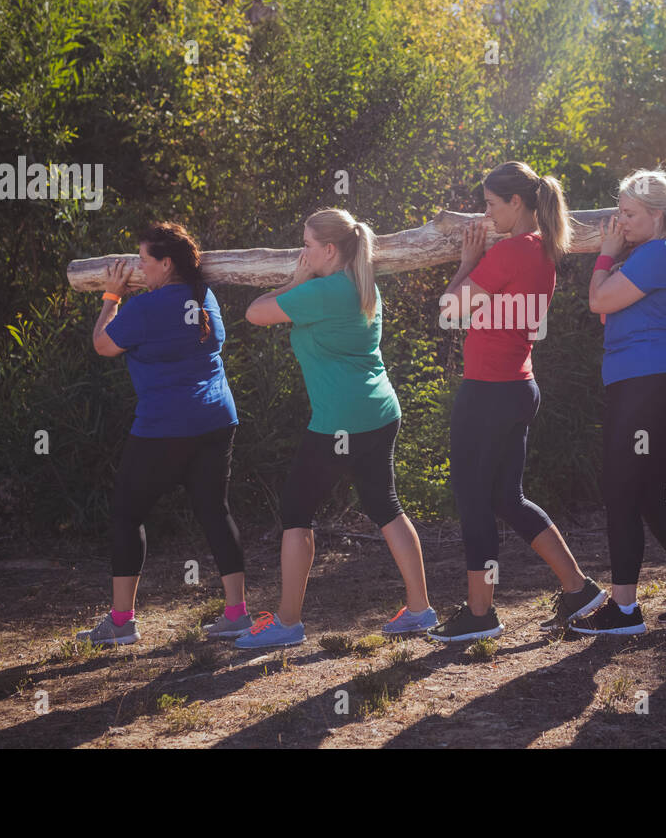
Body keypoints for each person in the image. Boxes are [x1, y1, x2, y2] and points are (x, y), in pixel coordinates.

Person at [238, 208, 435, 648]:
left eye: (306, 245)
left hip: (338, 422)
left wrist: (296, 279)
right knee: (385, 506)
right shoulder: (364, 284)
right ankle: (421, 609)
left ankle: (288, 624)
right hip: (380, 411)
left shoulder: (322, 292)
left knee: (296, 513)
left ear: (329, 249)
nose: (301, 253)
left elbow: (255, 313)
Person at [427, 161, 605, 642]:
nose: (485, 215)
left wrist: (466, 263)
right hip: (517, 387)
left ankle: (480, 615)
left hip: (488, 391)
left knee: (474, 500)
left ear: (516, 203)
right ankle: (578, 589)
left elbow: (451, 308)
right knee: (506, 497)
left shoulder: (511, 253)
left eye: (490, 205)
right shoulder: (543, 249)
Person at [82, 222, 248, 646]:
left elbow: (103, 345)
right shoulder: (205, 297)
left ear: (165, 263)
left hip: (164, 427)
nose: (139, 267)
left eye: (143, 260)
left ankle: (122, 623)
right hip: (216, 420)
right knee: (214, 510)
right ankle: (237, 614)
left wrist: (111, 297)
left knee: (126, 514)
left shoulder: (142, 308)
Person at [568, 170, 666, 635]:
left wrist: (606, 253)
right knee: (649, 497)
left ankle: (625, 609)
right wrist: (613, 261)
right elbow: (608, 308)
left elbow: (597, 301)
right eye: (618, 211)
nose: (619, 221)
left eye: (629, 214)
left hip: (647, 386)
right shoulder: (649, 255)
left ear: (657, 216)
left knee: (621, 493)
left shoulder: (658, 252)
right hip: (646, 384)